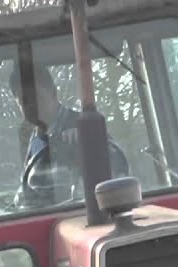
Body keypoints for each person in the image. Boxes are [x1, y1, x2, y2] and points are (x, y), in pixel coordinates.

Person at [7, 63, 129, 202]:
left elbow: (117, 170)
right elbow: (29, 187)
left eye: (36, 97)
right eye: (24, 101)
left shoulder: (84, 126)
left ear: (53, 93)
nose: (31, 105)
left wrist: (88, 148)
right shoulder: (32, 139)